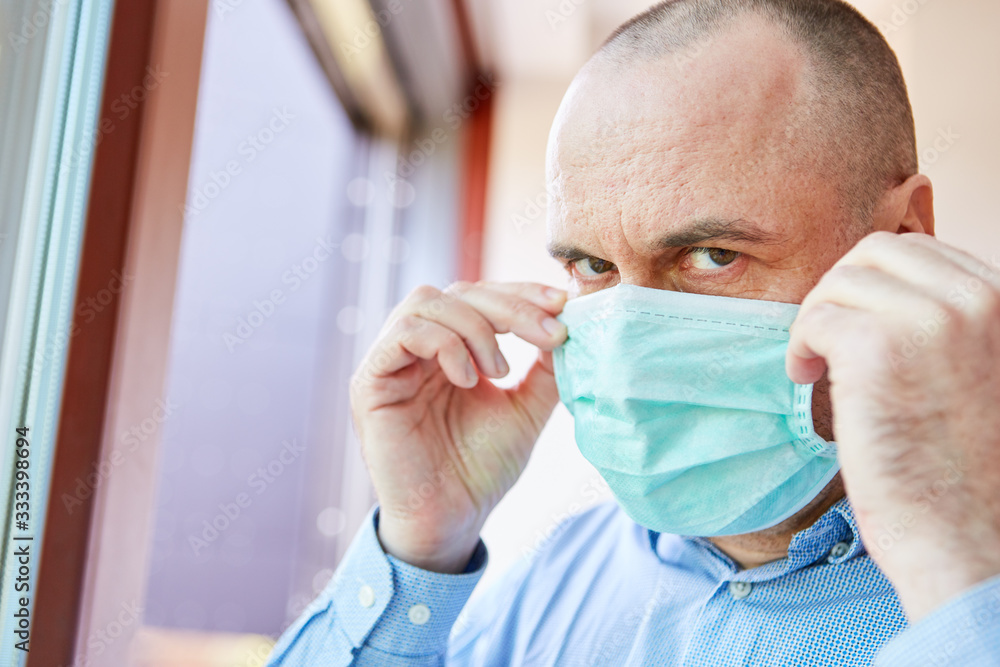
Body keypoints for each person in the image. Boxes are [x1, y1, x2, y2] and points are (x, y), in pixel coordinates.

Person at [268, 0, 1000, 664]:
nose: (632, 336)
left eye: (713, 255)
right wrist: (420, 541)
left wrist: (958, 580)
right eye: (592, 264)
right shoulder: (558, 577)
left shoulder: (975, 578)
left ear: (904, 235)